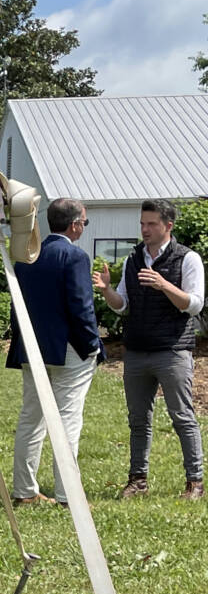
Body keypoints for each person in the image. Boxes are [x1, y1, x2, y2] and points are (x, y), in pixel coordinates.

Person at [94, 199, 203, 502]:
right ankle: (137, 480)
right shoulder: (133, 260)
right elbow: (123, 307)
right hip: (138, 351)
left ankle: (195, 482)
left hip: (172, 350)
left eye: (151, 224)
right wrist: (107, 292)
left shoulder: (187, 259)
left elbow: (194, 304)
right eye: (142, 223)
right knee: (138, 419)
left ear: (168, 225)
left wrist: (164, 285)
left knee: (182, 416)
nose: (145, 229)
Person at [6, 196, 104, 507]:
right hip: (69, 350)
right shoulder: (74, 257)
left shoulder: (26, 257)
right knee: (67, 421)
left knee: (31, 418)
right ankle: (67, 495)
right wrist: (93, 346)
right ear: (75, 225)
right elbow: (81, 308)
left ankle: (24, 490)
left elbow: (15, 307)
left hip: (33, 348)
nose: (84, 228)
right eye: (84, 223)